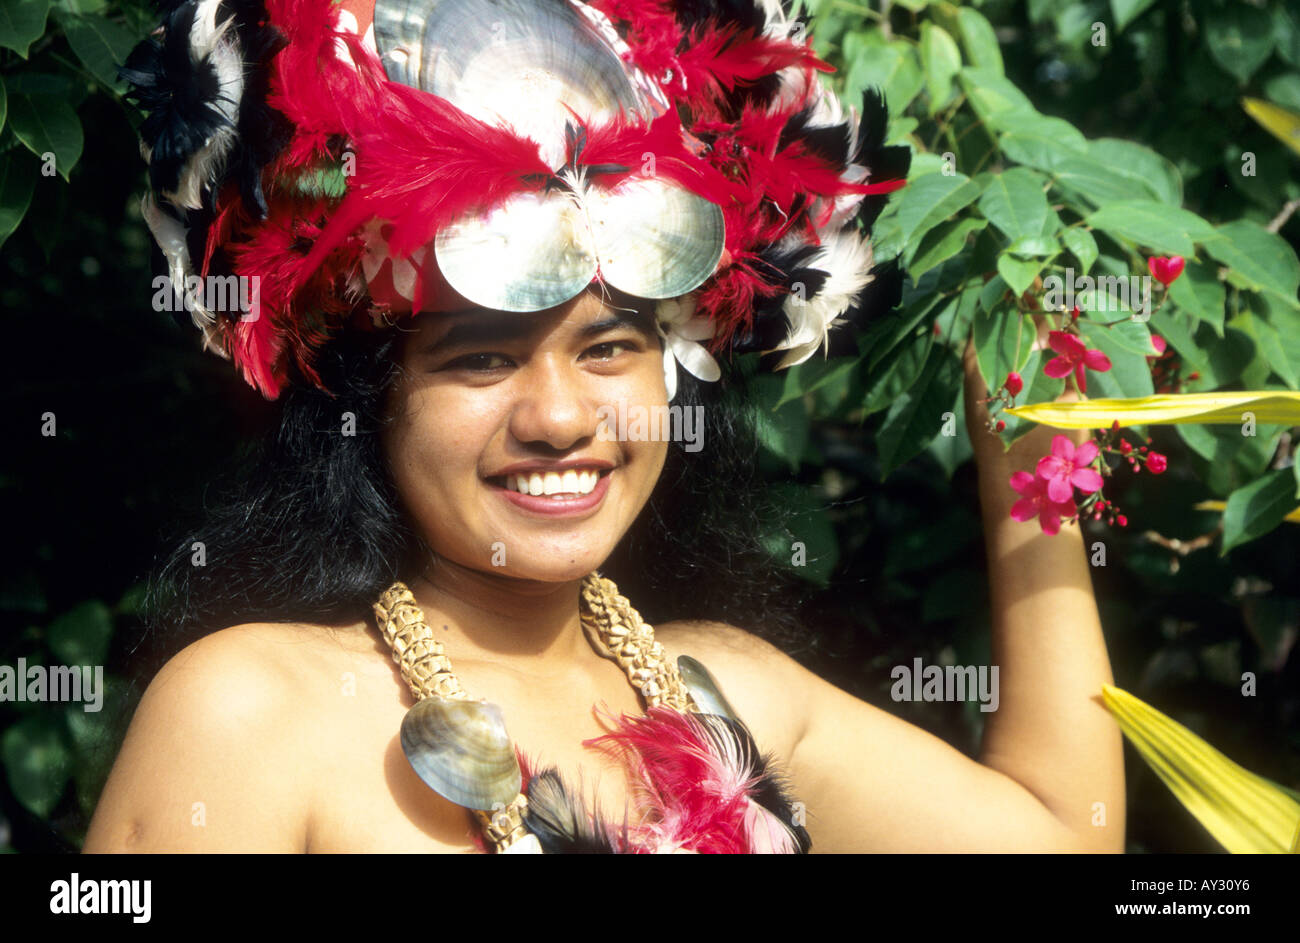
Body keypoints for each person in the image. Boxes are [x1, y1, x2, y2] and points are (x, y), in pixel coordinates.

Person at [83, 0, 1124, 853]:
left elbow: (1062, 836)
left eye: (611, 347)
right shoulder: (248, 712)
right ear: (369, 401)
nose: (562, 417)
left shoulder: (729, 688)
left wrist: (1034, 437)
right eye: (481, 356)